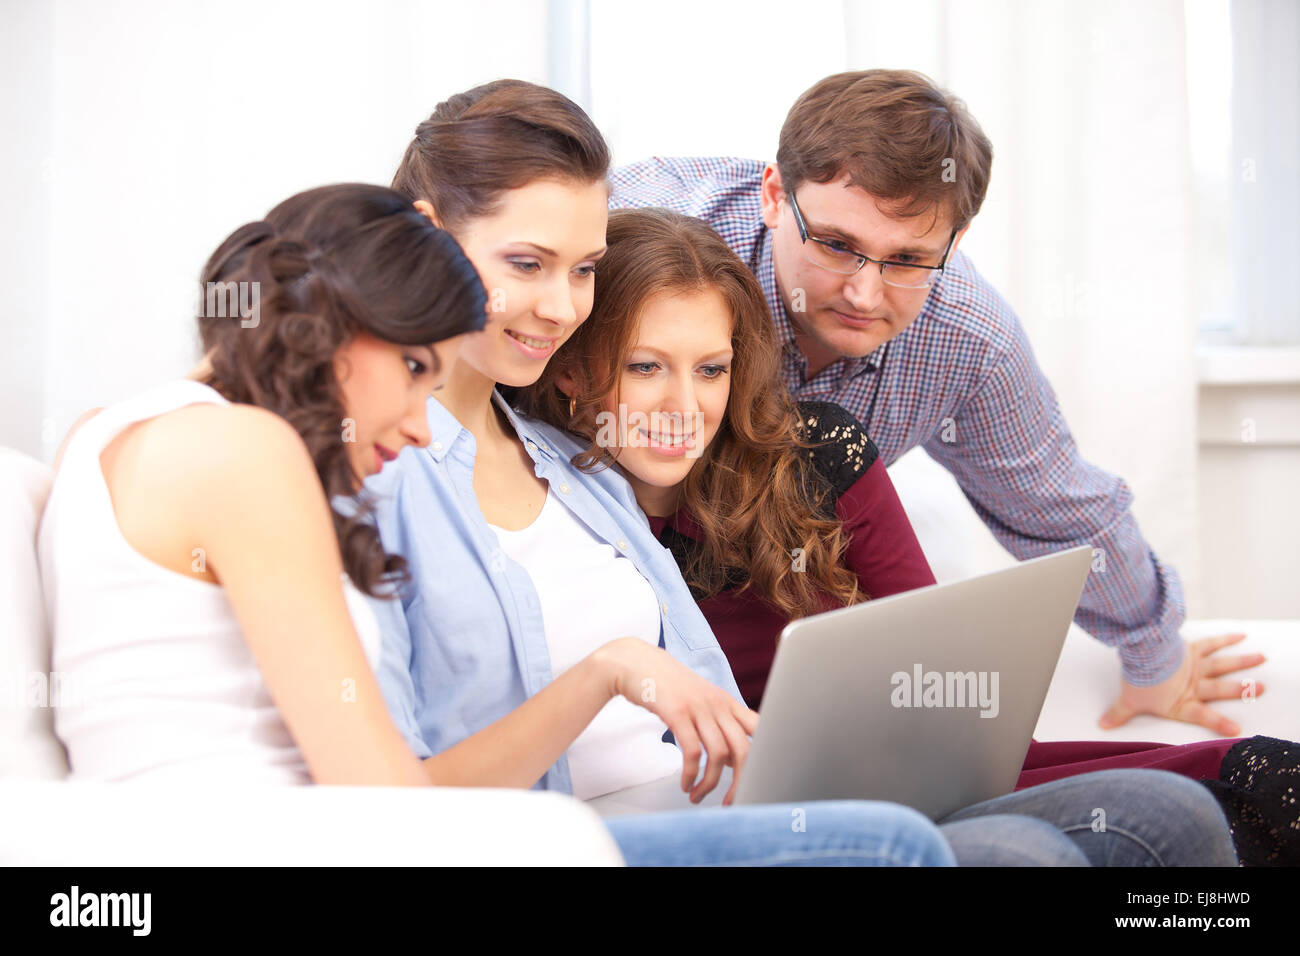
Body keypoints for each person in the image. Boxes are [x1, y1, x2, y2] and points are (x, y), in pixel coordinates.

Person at [373, 81, 1237, 866]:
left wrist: (1152, 648)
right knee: (1010, 854)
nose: (562, 305)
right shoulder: (403, 470)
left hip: (713, 800)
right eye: (530, 265)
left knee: (1174, 814)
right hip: (589, 831)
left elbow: (1053, 496)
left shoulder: (576, 476)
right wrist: (613, 669)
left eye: (585, 270)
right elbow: (395, 797)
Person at [37, 180, 957, 868]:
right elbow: (389, 811)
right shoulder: (247, 452)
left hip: (319, 837)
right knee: (894, 847)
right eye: (415, 373)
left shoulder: (123, 430)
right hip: (299, 848)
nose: (418, 427)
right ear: (339, 328)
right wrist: (606, 673)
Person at [517, 205, 1290, 865]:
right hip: (744, 817)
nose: (685, 406)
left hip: (911, 780)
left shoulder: (819, 456)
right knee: (1031, 852)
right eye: (647, 367)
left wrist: (1149, 647)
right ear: (571, 370)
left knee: (1239, 791)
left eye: (711, 370)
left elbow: (947, 685)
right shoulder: (547, 514)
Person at [608, 69, 1265, 738]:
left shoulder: (967, 340)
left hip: (759, 612)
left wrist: (1155, 657)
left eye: (907, 259)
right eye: (836, 245)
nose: (864, 294)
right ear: (775, 195)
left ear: (957, 241)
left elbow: (1058, 506)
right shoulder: (626, 235)